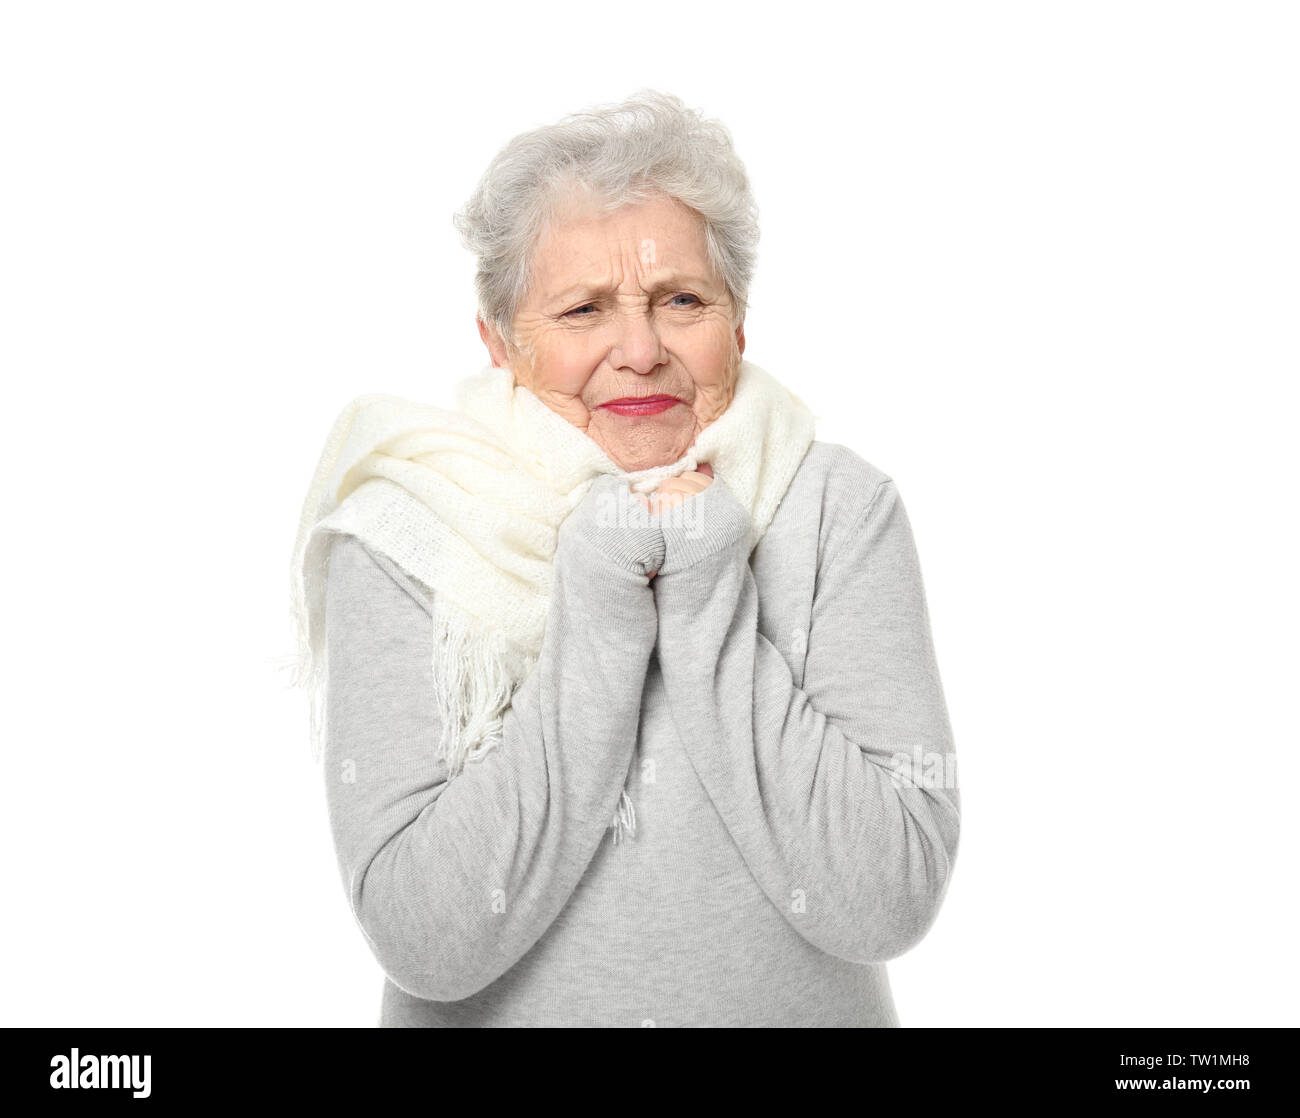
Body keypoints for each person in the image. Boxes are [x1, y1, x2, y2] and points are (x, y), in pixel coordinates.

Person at [288, 89, 961, 1027]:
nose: (639, 350)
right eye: (582, 309)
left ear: (739, 322)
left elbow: (891, 898)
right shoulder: (410, 531)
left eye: (682, 300)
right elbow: (423, 938)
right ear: (499, 344)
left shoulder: (840, 511)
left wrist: (703, 593)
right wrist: (602, 602)